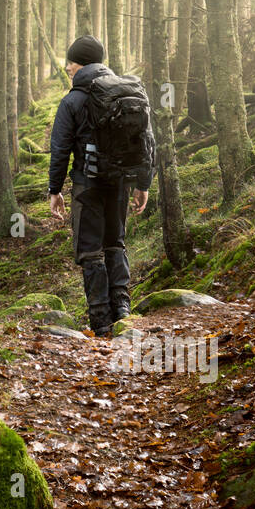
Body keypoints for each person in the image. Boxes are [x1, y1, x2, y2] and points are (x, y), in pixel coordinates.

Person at [46, 36, 154, 338]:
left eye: (70, 62)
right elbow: (147, 141)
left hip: (87, 184)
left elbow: (60, 149)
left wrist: (54, 190)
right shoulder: (125, 93)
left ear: (79, 63)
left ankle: (100, 321)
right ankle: (123, 311)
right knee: (115, 243)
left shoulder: (72, 101)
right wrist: (142, 183)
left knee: (91, 251)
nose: (67, 68)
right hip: (120, 182)